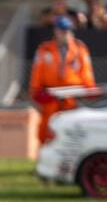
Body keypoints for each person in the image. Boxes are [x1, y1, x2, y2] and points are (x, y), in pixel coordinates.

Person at [29, 16, 94, 146]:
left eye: (68, 31)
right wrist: (35, 93)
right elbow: (36, 74)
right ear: (56, 31)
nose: (66, 34)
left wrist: (89, 90)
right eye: (63, 31)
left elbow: (87, 73)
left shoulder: (79, 50)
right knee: (45, 130)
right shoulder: (44, 49)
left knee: (72, 132)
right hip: (51, 97)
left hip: (72, 98)